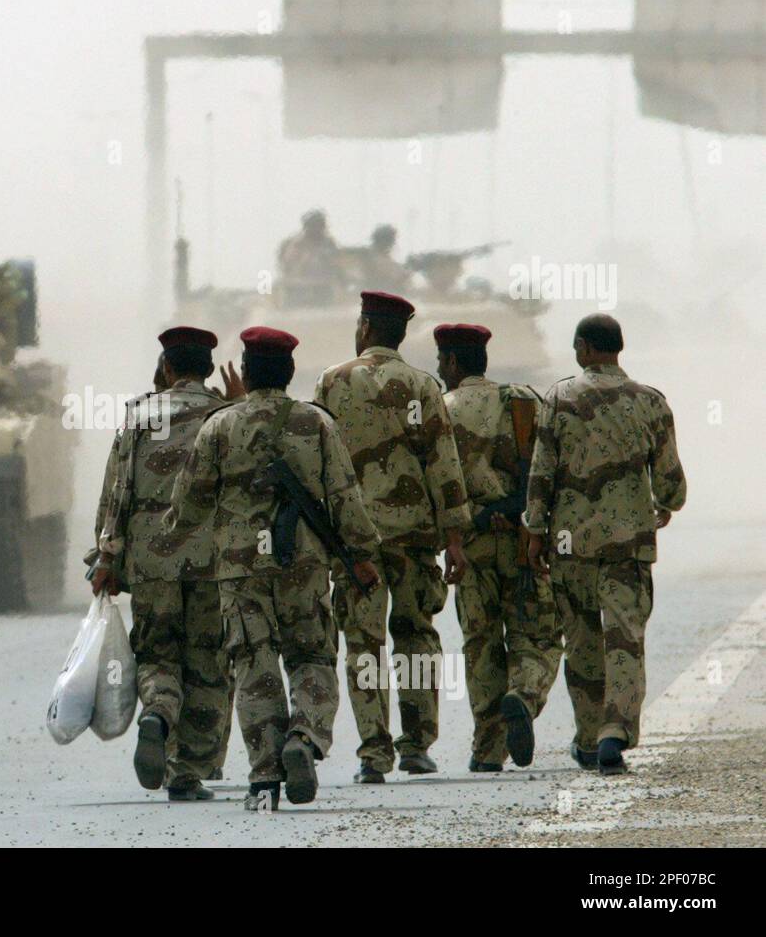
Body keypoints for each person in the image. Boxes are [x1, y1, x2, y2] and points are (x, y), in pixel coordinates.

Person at [159, 326, 380, 810]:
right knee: (312, 658)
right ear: (290, 371)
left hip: (240, 570)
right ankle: (303, 737)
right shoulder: (316, 424)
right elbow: (344, 495)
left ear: (248, 370)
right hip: (302, 563)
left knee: (253, 665)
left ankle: (264, 776)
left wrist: (173, 538)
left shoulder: (218, 426)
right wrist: (362, 554)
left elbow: (188, 505)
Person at [314, 291, 470, 783]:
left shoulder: (331, 383)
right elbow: (443, 465)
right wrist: (456, 539)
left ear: (364, 328)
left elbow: (317, 461)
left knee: (363, 643)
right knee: (417, 636)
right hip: (413, 536)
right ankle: (417, 745)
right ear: (400, 334)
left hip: (352, 541)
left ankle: (372, 753)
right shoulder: (422, 386)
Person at [524, 314, 686, 776]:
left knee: (581, 643)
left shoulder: (559, 397)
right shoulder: (651, 401)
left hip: (569, 545)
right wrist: (664, 503)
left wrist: (535, 530)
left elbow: (542, 472)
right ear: (618, 348)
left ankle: (589, 737)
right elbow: (672, 484)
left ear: (584, 347)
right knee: (624, 640)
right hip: (628, 546)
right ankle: (615, 729)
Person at [89, 327, 241, 801]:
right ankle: (187, 772)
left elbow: (118, 494)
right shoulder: (226, 417)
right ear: (210, 368)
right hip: (213, 561)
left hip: (152, 560)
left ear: (167, 368)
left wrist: (106, 558)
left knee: (158, 654)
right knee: (209, 660)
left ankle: (156, 714)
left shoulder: (139, 415)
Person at [434, 323, 563, 771]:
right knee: (540, 636)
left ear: (451, 363)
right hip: (522, 539)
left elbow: (436, 482)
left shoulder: (440, 411)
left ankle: (487, 750)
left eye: (440, 360)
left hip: (468, 544)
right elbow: (549, 468)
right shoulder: (523, 401)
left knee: (481, 644)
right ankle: (524, 696)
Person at [278, 210, 341, 307]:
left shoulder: (328, 244)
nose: (316, 229)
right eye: (314, 225)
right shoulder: (296, 244)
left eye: (319, 225)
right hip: (297, 288)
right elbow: (287, 264)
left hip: (323, 288)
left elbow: (336, 263)